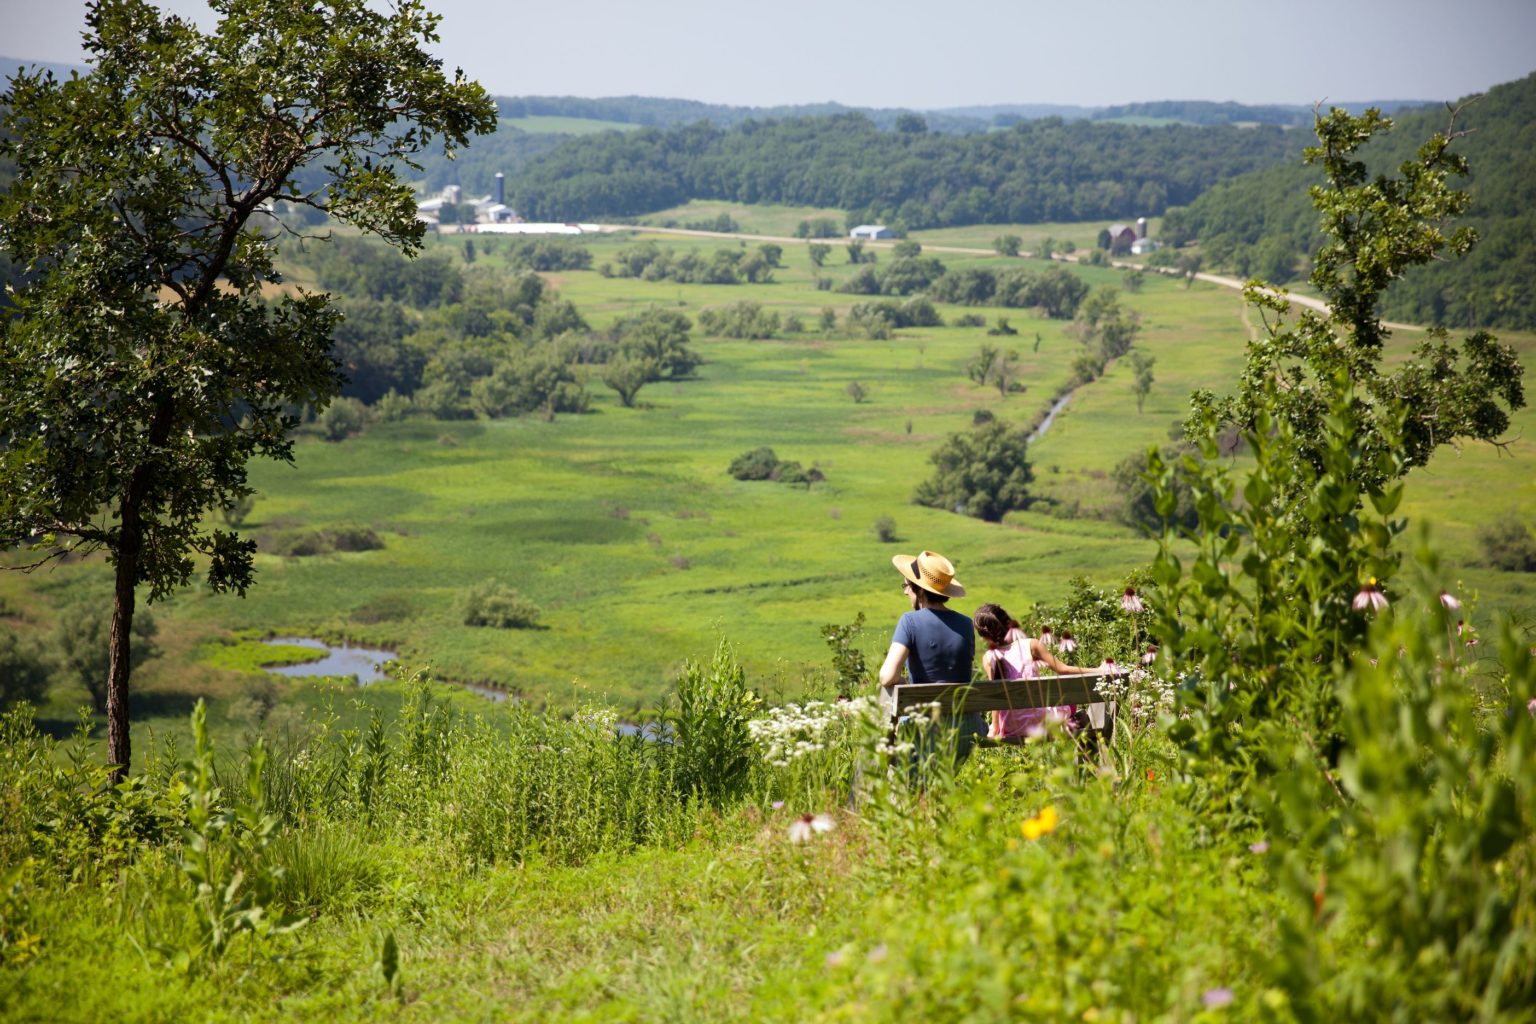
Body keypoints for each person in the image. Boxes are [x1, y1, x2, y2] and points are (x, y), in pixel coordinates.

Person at [878, 550, 985, 761]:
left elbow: (886, 677)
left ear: (920, 590)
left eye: (907, 586)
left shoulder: (909, 622)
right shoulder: (965, 624)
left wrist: (904, 682)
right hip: (966, 730)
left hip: (924, 733)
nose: (905, 592)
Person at [973, 602, 1095, 741]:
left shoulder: (988, 658)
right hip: (1042, 724)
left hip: (1011, 727)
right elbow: (1063, 670)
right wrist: (1098, 669)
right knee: (1070, 702)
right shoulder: (1031, 645)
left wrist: (994, 729)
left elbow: (997, 696)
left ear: (983, 635)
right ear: (1008, 623)